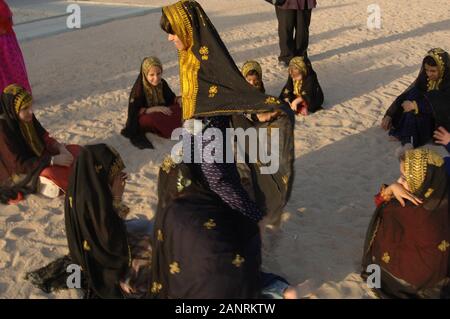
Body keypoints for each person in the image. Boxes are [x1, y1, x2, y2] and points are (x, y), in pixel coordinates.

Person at [151, 0, 296, 298]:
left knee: (220, 183)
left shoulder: (207, 57)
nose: (169, 38)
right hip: (195, 135)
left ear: (187, 29)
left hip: (210, 134)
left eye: (172, 31)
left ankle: (252, 225)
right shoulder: (188, 55)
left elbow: (233, 90)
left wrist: (257, 113)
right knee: (193, 189)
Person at [26, 144, 153, 299]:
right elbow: (110, 239)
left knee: (144, 226)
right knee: (149, 248)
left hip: (94, 244)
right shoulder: (93, 198)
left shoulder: (86, 184)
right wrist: (117, 198)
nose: (118, 175)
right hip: (101, 257)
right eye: (113, 172)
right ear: (99, 169)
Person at [362, 148, 450, 298]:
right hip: (440, 271)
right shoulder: (441, 197)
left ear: (423, 181)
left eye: (404, 177)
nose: (398, 181)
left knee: (384, 234)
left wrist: (391, 189)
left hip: (415, 275)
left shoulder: (407, 208)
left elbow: (380, 202)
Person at [0, 84, 81, 204]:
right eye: (25, 109)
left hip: (39, 157)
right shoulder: (3, 129)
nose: (30, 112)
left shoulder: (26, 117)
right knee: (52, 173)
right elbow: (18, 165)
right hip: (22, 168)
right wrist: (52, 160)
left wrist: (60, 148)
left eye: (30, 107)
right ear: (13, 109)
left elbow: (44, 137)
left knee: (76, 150)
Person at [382, 48, 450, 148]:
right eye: (426, 70)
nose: (429, 74)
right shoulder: (425, 78)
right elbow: (407, 94)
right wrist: (390, 114)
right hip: (427, 112)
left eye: (433, 71)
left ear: (442, 68)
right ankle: (407, 138)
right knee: (412, 96)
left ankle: (409, 140)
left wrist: (416, 105)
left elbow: (443, 103)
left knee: (416, 107)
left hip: (444, 119)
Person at [121, 56, 182, 149]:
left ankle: (176, 127)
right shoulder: (139, 89)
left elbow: (171, 98)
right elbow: (134, 111)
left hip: (164, 111)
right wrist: (155, 109)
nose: (156, 78)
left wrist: (178, 100)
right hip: (148, 115)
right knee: (151, 119)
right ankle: (171, 130)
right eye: (151, 75)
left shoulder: (162, 83)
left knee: (182, 106)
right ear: (145, 74)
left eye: (158, 73)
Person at [0, 0, 32, 93]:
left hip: (5, 42)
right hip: (6, 40)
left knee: (10, 68)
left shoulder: (2, 6)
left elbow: (6, 24)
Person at [275, 0, 317, 66]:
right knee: (285, 29)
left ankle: (300, 55)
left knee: (302, 29)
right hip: (285, 2)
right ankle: (286, 57)